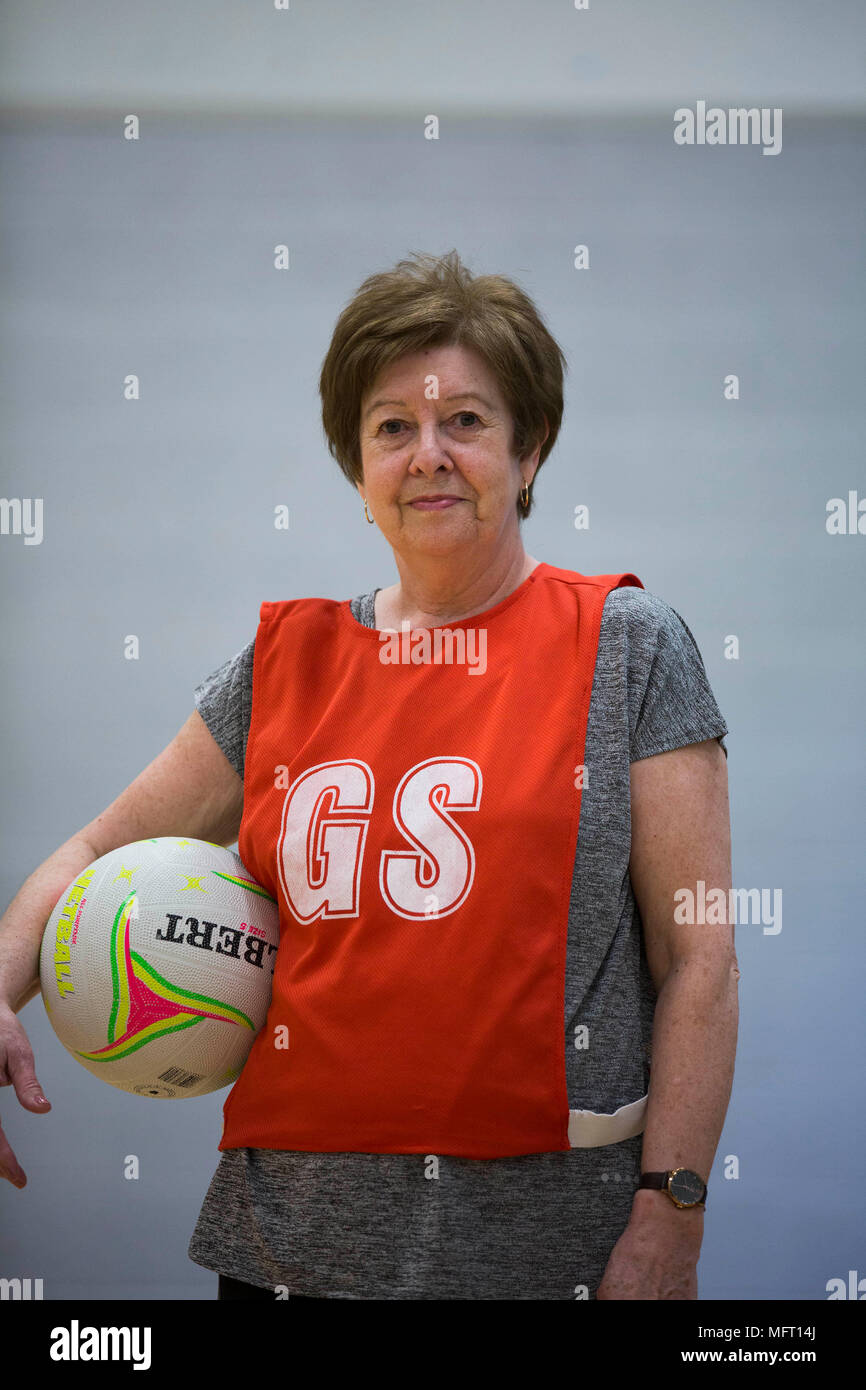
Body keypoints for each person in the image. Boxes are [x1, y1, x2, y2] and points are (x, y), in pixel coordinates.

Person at [0, 249, 738, 1300]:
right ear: (357, 470)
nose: (427, 455)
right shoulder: (279, 667)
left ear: (530, 450)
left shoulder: (627, 646)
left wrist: (672, 1217)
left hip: (544, 1261)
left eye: (465, 423)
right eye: (392, 427)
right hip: (281, 1257)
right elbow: (88, 853)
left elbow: (697, 956)